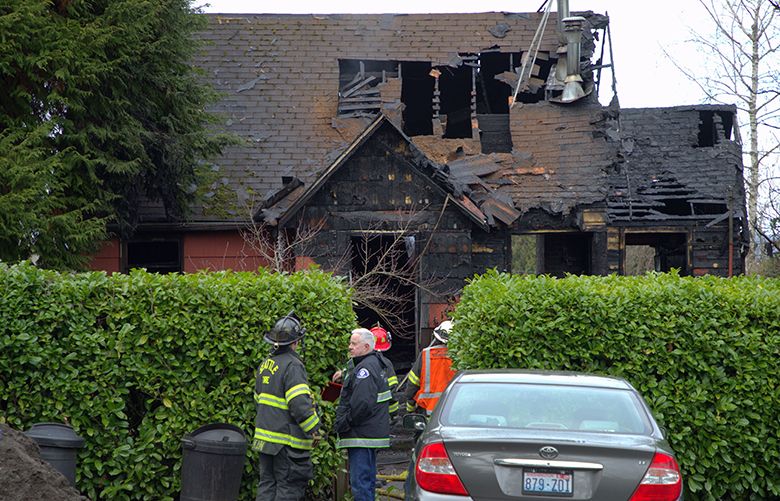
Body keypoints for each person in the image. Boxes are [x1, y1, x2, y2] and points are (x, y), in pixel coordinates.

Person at [253, 315, 321, 501]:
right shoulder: (293, 365)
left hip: (265, 441)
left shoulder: (265, 365)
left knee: (267, 485)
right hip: (286, 443)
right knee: (288, 488)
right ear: (296, 342)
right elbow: (299, 405)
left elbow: (258, 398)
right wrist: (314, 430)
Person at [335, 328, 392, 501]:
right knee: (366, 481)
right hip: (369, 433)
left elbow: (361, 404)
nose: (349, 347)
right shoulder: (372, 363)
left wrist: (344, 422)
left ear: (366, 346)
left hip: (362, 434)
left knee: (360, 483)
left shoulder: (365, 369)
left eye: (354, 344)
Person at [332, 325, 399, 416]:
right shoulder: (383, 364)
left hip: (372, 416)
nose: (350, 347)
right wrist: (343, 374)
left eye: (354, 344)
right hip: (378, 416)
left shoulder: (373, 364)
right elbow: (392, 392)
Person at [404, 320, 456, 415]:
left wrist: (410, 407)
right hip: (453, 410)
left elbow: (413, 383)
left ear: (436, 336)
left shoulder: (425, 354)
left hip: (427, 409)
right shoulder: (459, 356)